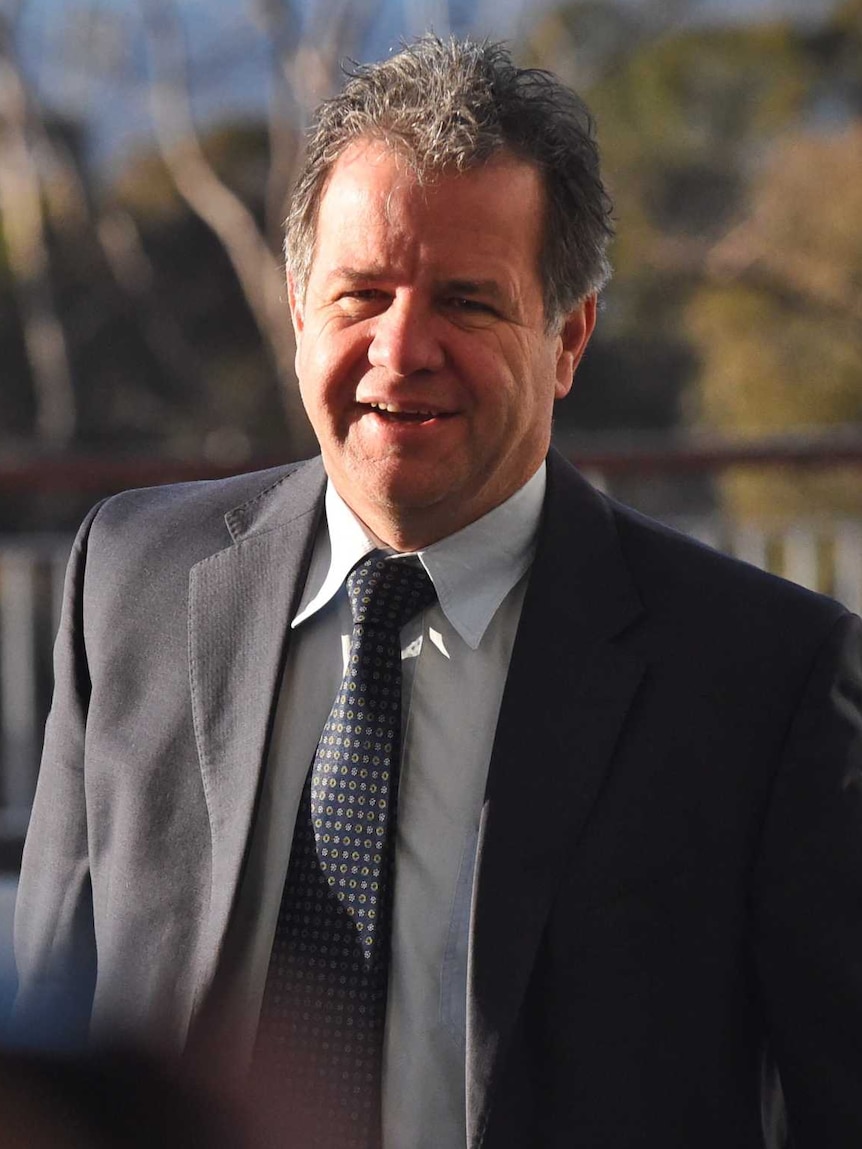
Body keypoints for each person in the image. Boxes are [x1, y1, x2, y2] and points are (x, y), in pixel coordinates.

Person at [13, 33, 862, 1149]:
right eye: (362, 294)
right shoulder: (129, 578)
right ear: (298, 303)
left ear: (568, 339)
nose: (399, 350)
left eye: (465, 303)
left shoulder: (763, 679)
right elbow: (49, 1030)